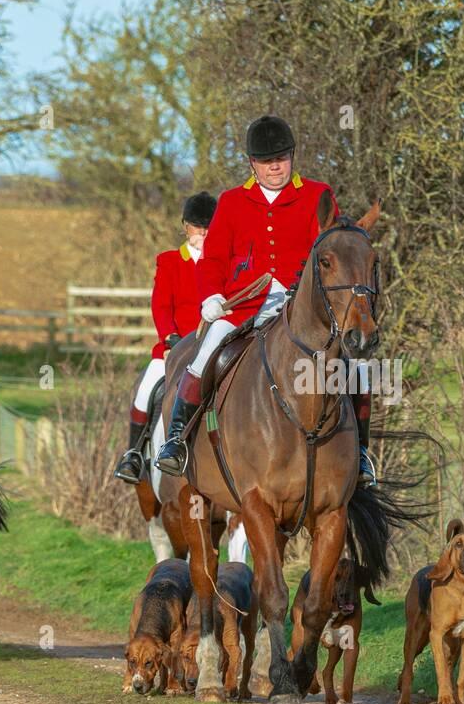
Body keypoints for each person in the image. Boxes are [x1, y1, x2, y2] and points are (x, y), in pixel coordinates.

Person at [154, 115, 375, 485]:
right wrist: (211, 296)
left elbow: (333, 251)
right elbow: (212, 259)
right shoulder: (232, 201)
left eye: (282, 158)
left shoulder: (317, 194)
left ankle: (362, 455)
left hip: (302, 306)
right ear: (251, 163)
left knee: (356, 370)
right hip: (243, 305)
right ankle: (176, 441)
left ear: (292, 157)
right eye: (266, 160)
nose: (275, 167)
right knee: (205, 353)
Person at [114, 191, 215, 482]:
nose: (204, 232)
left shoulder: (224, 262)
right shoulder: (170, 261)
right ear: (186, 226)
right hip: (174, 346)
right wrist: (169, 337)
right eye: (198, 226)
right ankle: (133, 454)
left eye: (209, 226)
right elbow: (160, 305)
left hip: (214, 343)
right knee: (147, 391)